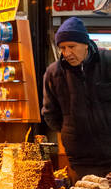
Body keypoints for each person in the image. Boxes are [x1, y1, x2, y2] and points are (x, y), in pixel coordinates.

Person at [43, 17, 111, 180]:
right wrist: (70, 130)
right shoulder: (54, 73)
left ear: (85, 44)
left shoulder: (108, 62)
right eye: (62, 48)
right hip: (81, 159)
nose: (67, 53)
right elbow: (50, 113)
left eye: (71, 47)